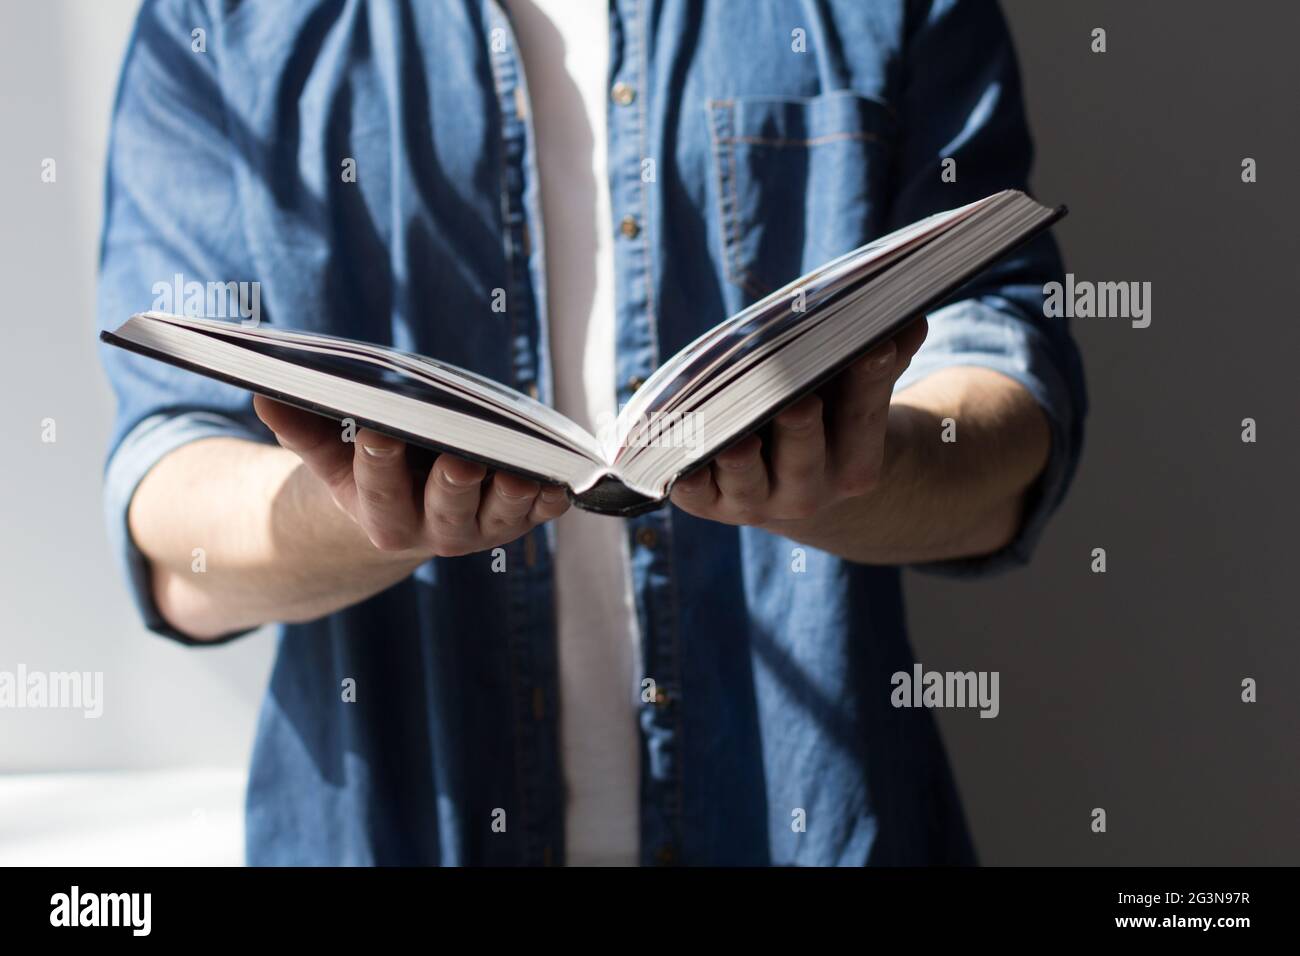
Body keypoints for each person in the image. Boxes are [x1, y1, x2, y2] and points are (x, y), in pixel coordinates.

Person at [98, 0, 1085, 865]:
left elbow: (1004, 413)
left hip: (813, 828)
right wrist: (354, 507)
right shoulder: (222, 16)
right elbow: (177, 537)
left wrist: (869, 458)